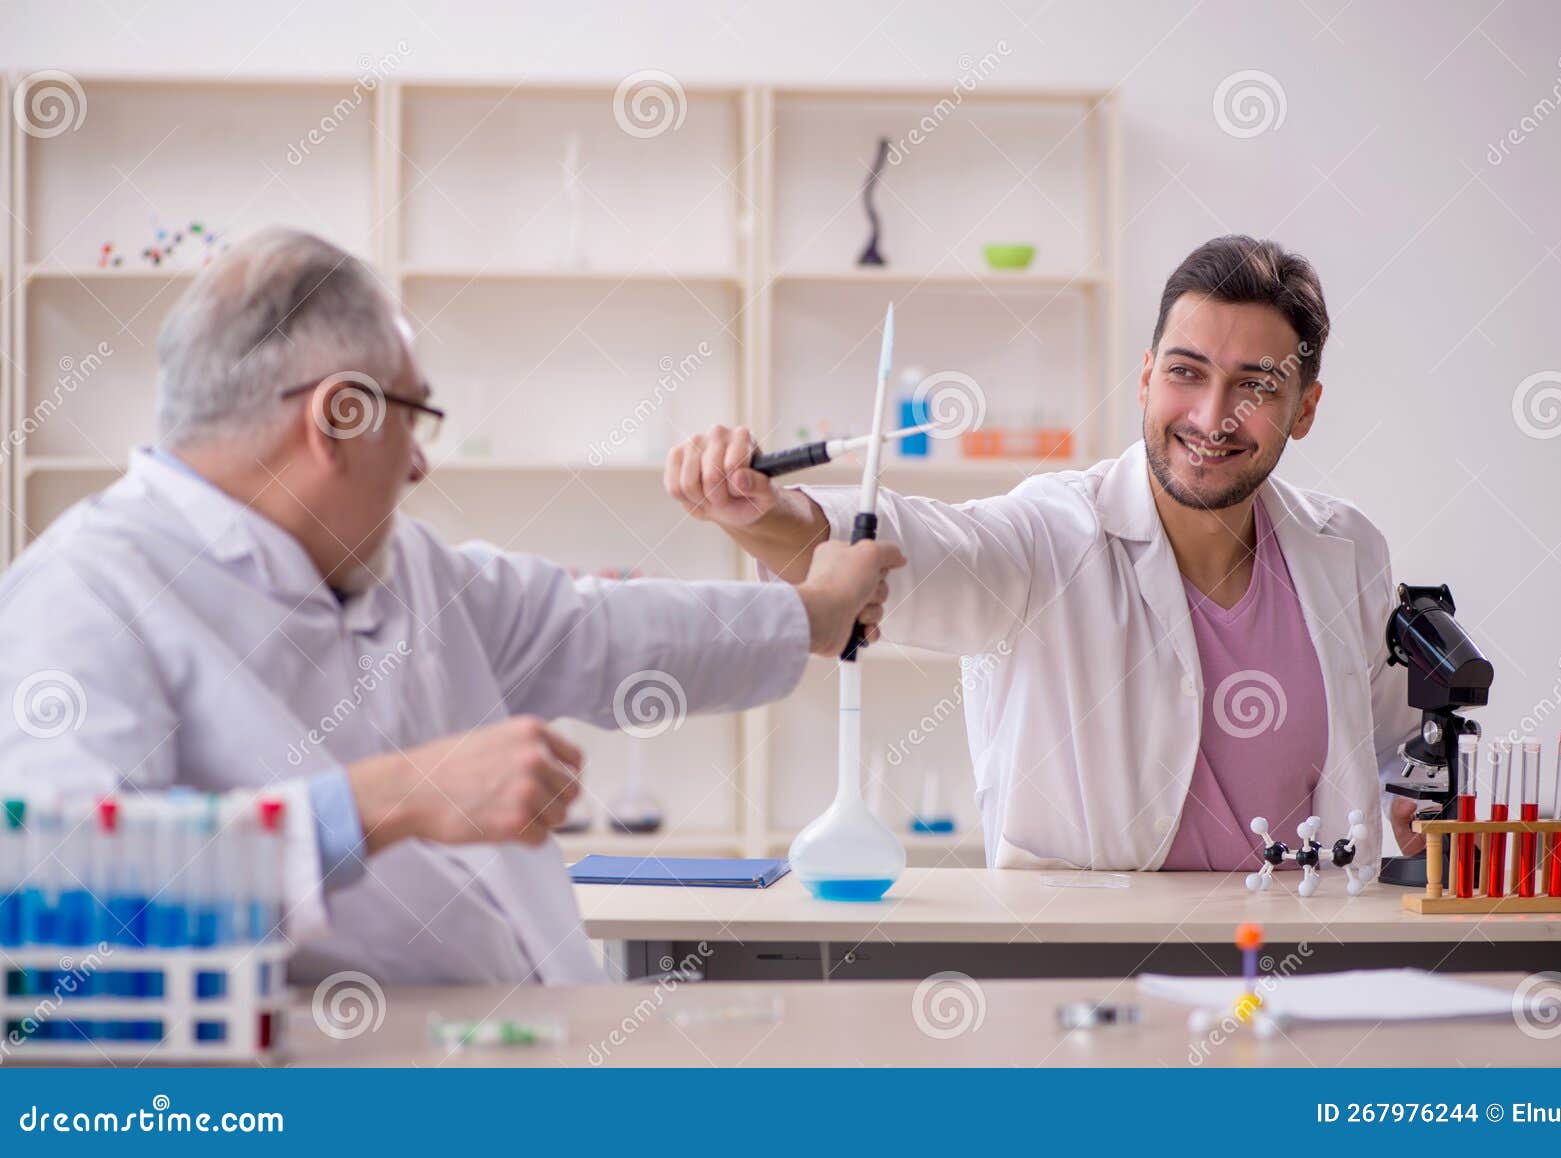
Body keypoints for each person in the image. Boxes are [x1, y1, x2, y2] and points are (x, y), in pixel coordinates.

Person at [0, 227, 904, 986]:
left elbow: (606, 630)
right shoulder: (86, 589)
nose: (422, 463)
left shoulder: (404, 571)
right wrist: (381, 804)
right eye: (414, 419)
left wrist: (815, 613)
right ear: (339, 418)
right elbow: (56, 894)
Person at [665, 235, 1419, 877]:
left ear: (1306, 408)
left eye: (1254, 386)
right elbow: (905, 543)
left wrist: (1418, 801)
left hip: (1305, 960)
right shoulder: (1053, 533)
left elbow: (1394, 743)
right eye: (1186, 374)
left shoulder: (1346, 552)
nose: (1211, 417)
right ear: (1146, 377)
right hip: (1091, 960)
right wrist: (767, 515)